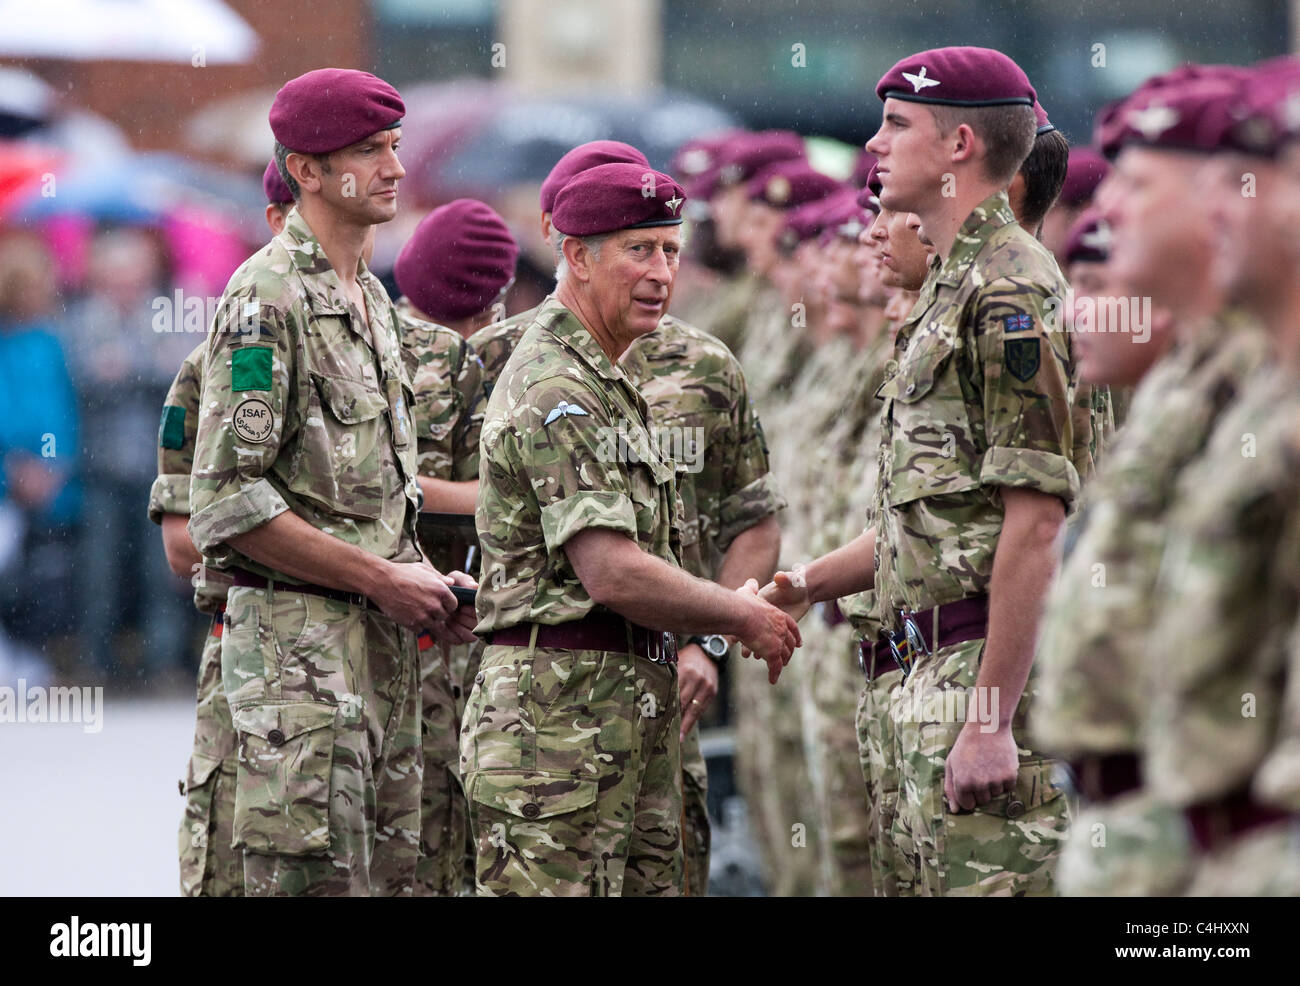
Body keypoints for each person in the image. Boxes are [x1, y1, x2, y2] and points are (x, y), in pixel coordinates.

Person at [761, 46, 1085, 896]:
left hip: (973, 681)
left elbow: (1038, 520)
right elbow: (930, 517)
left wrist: (992, 719)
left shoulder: (1009, 289)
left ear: (961, 146)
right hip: (912, 678)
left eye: (896, 125)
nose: (871, 145)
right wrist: (806, 583)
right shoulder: (951, 286)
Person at [462, 162, 799, 896]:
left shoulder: (612, 376)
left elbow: (749, 515)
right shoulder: (559, 384)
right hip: (556, 732)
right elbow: (610, 571)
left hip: (630, 715)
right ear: (577, 256)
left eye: (671, 250)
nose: (660, 272)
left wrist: (709, 636)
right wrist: (740, 613)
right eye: (637, 250)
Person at [188, 67, 477, 897]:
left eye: (394, 147)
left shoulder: (374, 304)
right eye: (367, 152)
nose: (393, 168)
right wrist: (381, 578)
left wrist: (422, 580)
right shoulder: (266, 296)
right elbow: (225, 502)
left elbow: (370, 494)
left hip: (380, 665)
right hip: (298, 669)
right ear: (307, 171)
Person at [1031, 67, 1269, 896]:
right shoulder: (1188, 380)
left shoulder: (1258, 381)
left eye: (1137, 180)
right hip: (1138, 821)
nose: (1114, 207)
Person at [393, 199, 514, 895]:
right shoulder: (486, 365)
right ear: (491, 301)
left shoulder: (359, 337)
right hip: (459, 625)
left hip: (360, 629)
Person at [0, 233, 80, 677]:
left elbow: (64, 414)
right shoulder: (8, 344)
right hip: (10, 484)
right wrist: (14, 470)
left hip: (54, 487)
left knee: (45, 581)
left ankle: (34, 658)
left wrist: (56, 466)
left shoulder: (52, 343)